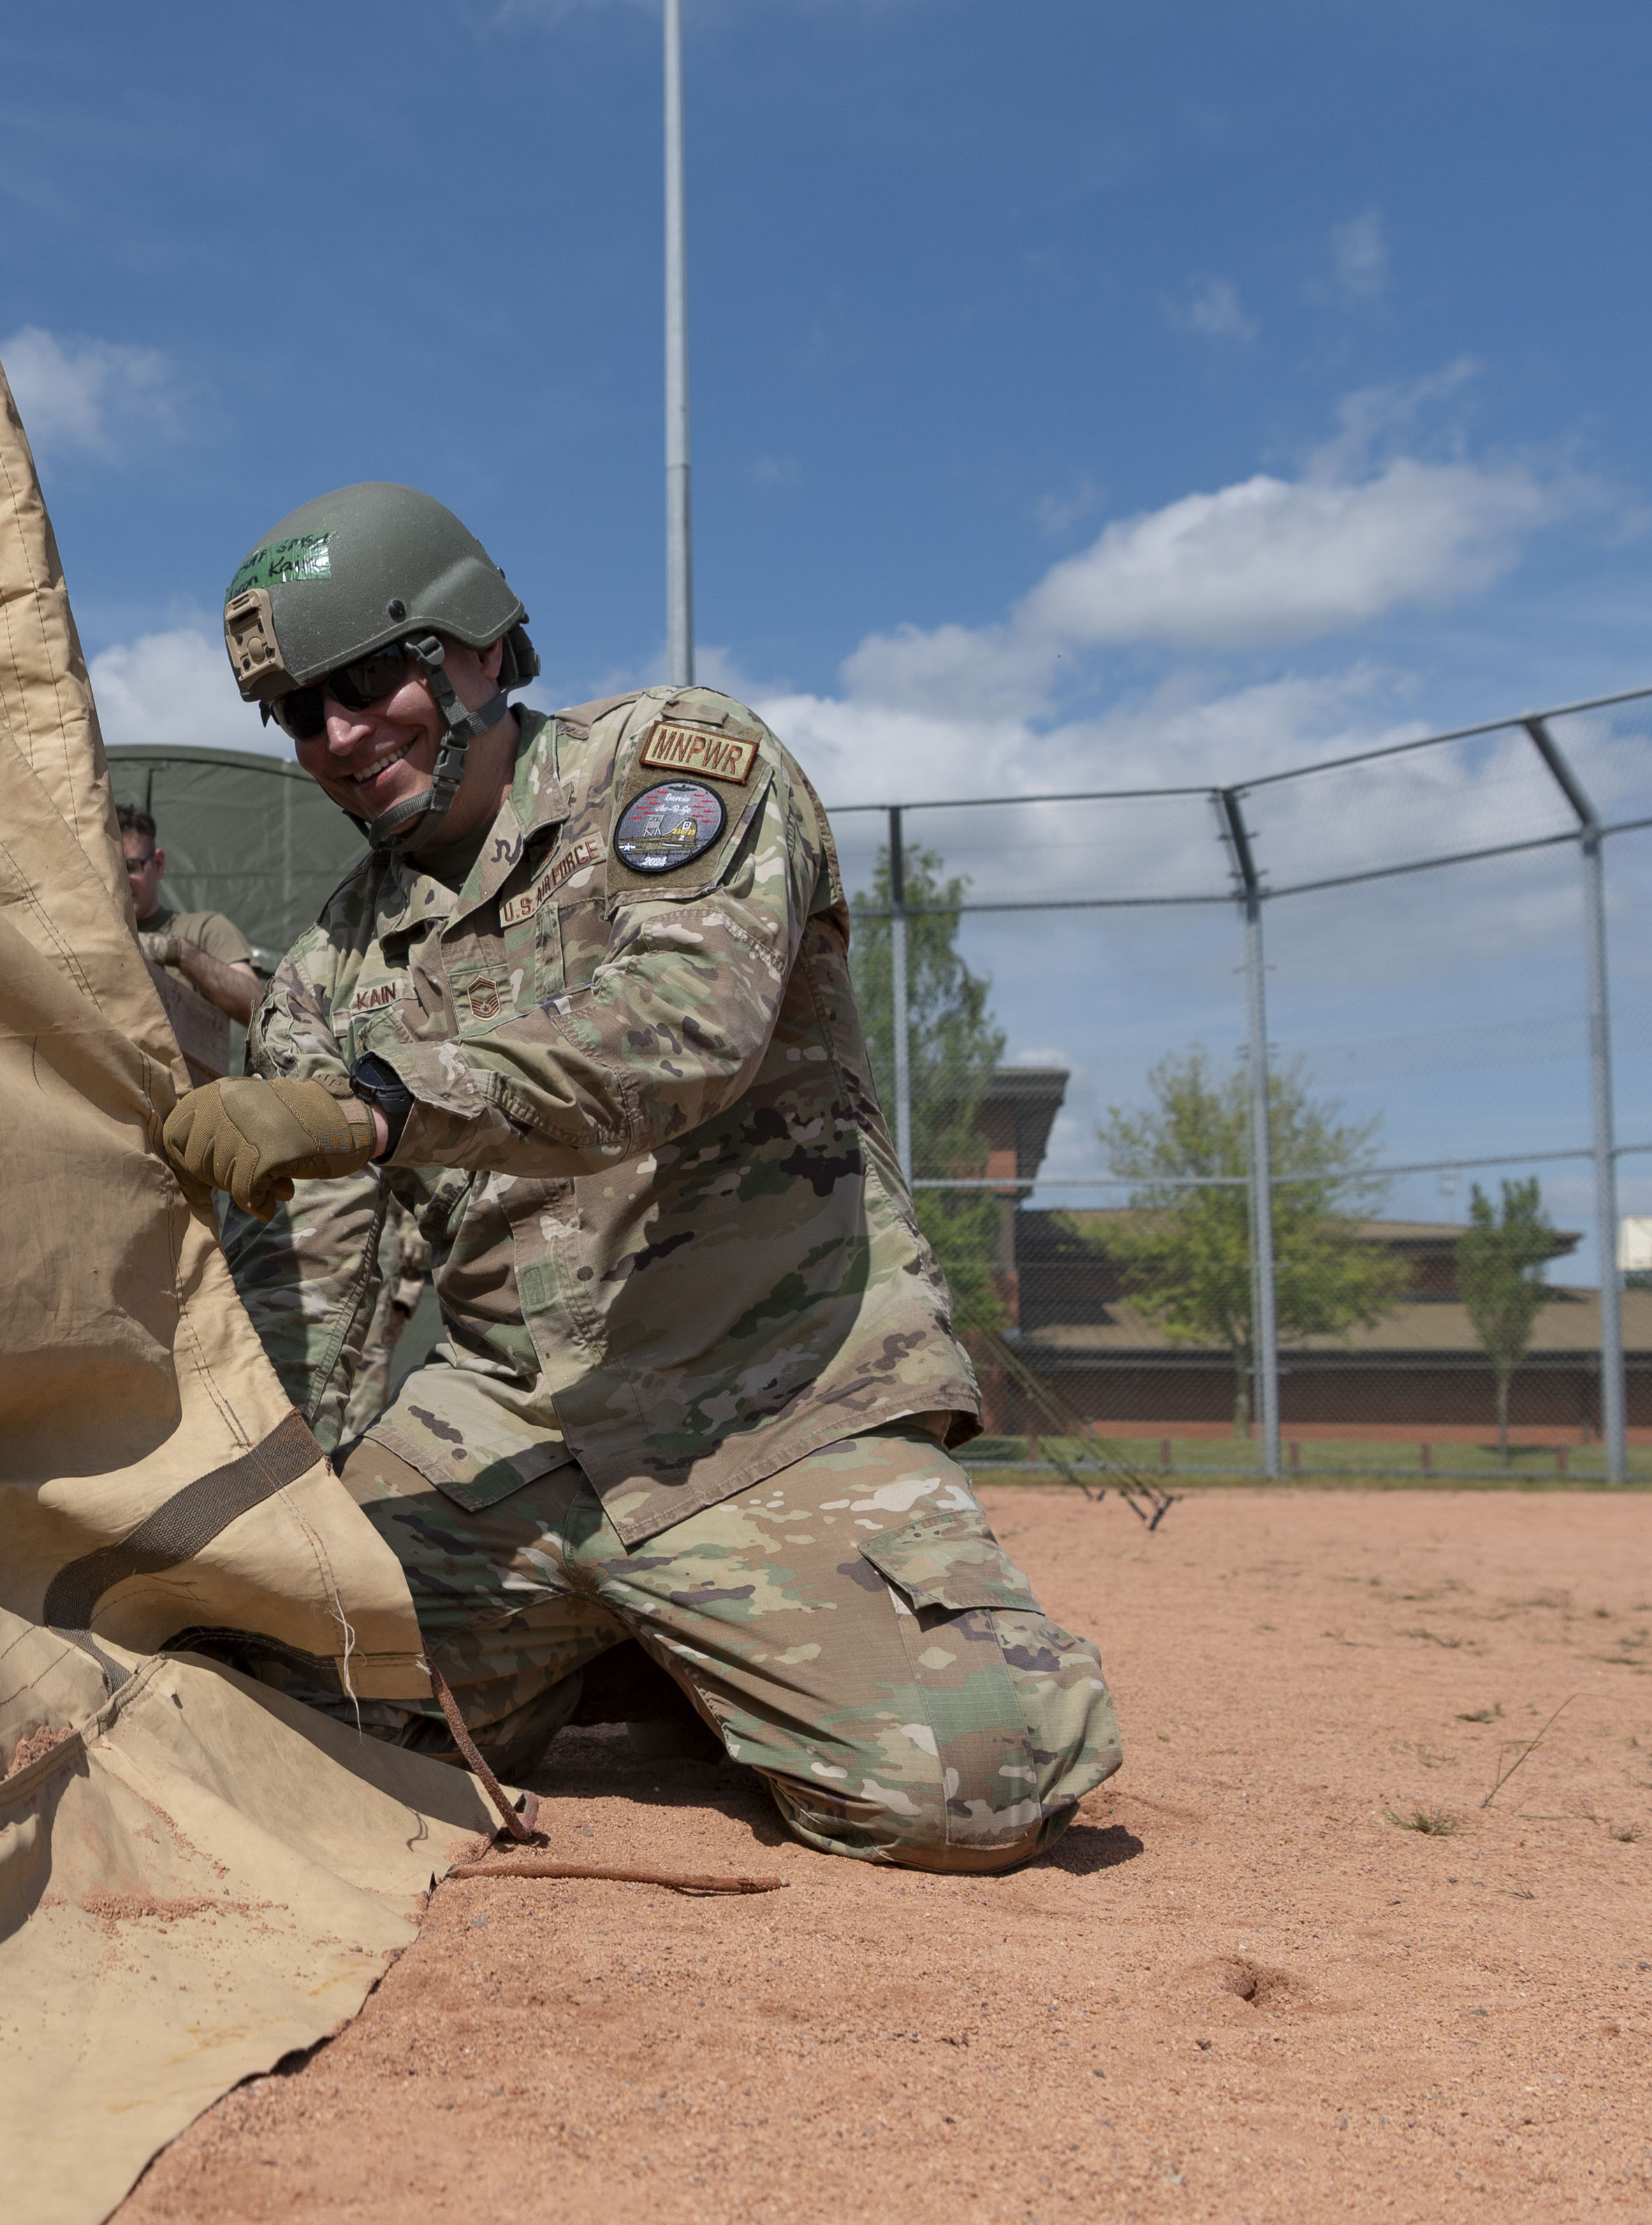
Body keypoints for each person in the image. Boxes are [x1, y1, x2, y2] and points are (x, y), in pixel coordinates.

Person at [156, 481, 1120, 1874]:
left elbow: (681, 1032)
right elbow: (318, 1282)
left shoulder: (674, 773)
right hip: (503, 1435)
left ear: (472, 647)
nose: (338, 736)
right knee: (256, 1714)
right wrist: (267, 1524)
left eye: (365, 680)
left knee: (958, 1783)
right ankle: (634, 1640)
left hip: (760, 1398)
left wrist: (376, 1102)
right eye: (298, 713)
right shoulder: (328, 968)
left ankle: (709, 1643)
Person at [119, 804, 261, 1025]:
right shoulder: (77, 936)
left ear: (158, 864)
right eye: (111, 868)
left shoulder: (204, 930)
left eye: (131, 867)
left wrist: (179, 952)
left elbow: (258, 1008)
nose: (120, 880)